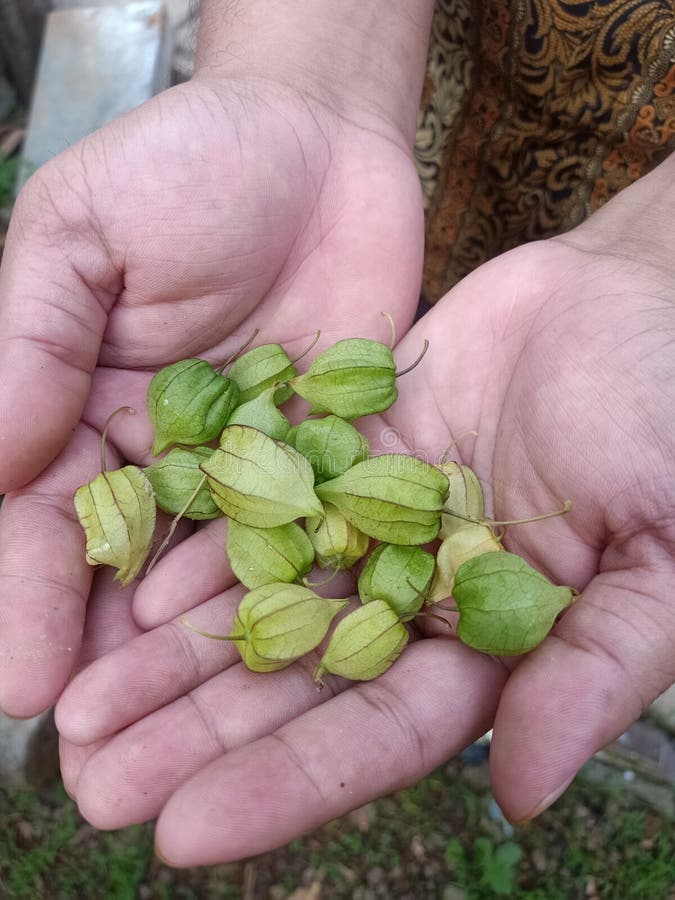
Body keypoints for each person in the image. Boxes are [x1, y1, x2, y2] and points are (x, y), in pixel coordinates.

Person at [0, 0, 673, 868]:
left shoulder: (345, 479)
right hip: (401, 185)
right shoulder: (316, 441)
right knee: (403, 353)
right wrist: (303, 74)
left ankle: (475, 722)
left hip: (533, 315)